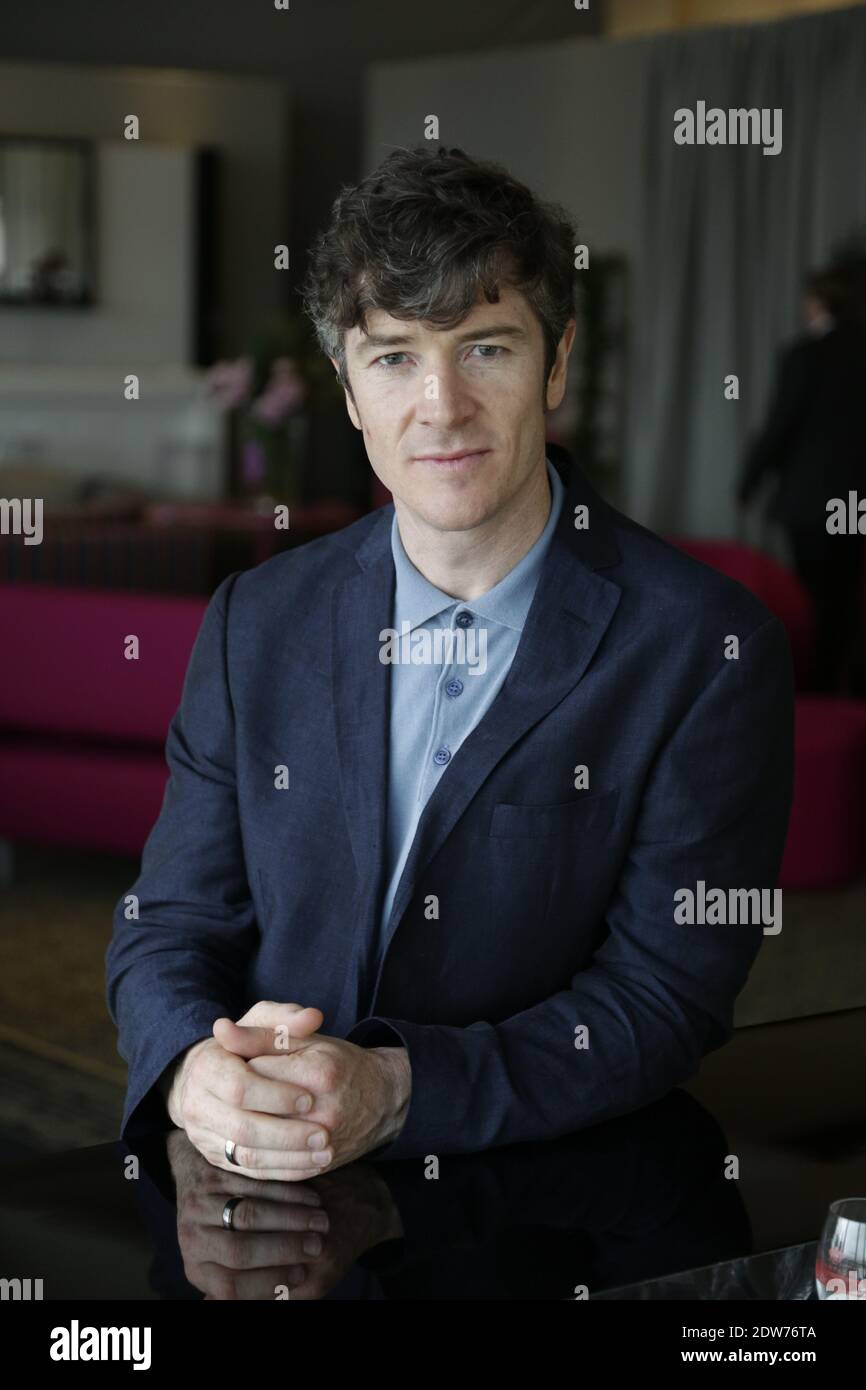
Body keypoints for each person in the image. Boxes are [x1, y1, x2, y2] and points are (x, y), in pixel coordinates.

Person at [107, 145, 794, 1183]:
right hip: (259, 1212)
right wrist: (190, 1066)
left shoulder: (704, 649)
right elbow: (171, 923)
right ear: (345, 387)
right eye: (391, 357)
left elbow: (663, 996)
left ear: (555, 362)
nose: (440, 405)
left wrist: (396, 1087)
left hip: (541, 1213)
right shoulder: (258, 620)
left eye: (484, 349)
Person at [737, 262, 866, 693]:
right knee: (845, 598)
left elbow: (781, 426)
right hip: (855, 501)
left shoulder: (805, 354)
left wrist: (749, 483)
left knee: (811, 599)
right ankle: (840, 687)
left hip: (810, 501)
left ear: (820, 301)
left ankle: (811, 692)